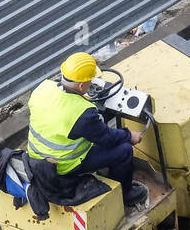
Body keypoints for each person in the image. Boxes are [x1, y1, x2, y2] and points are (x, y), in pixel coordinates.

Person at [26, 52, 147, 209]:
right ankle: (126, 194)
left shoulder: (43, 88)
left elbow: (58, 113)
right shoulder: (82, 113)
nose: (91, 83)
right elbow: (107, 138)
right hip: (63, 165)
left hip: (36, 158)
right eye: (90, 81)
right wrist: (129, 135)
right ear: (82, 85)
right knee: (124, 150)